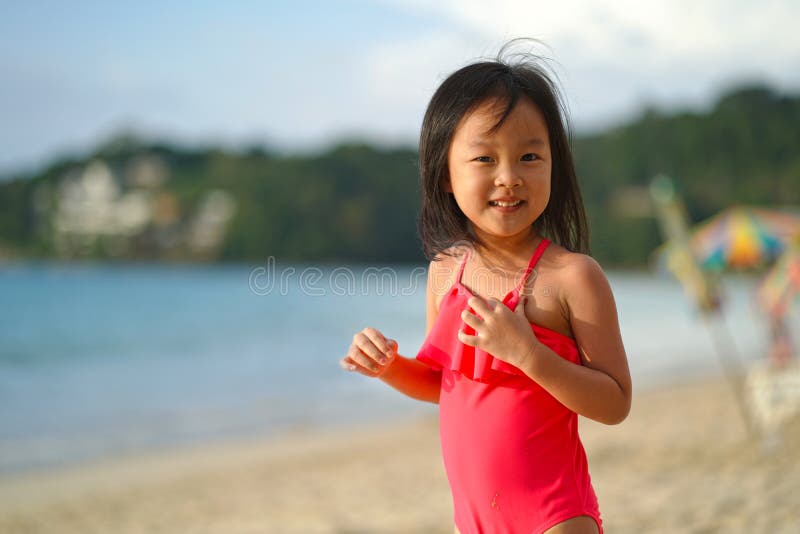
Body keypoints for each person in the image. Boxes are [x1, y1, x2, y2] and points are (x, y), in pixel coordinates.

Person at [341, 43, 631, 534]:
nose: (509, 177)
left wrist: (529, 355)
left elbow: (615, 402)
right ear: (445, 175)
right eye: (484, 158)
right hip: (472, 522)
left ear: (554, 164)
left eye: (530, 156)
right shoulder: (444, 272)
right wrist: (390, 367)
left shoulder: (573, 278)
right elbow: (444, 385)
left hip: (555, 517)